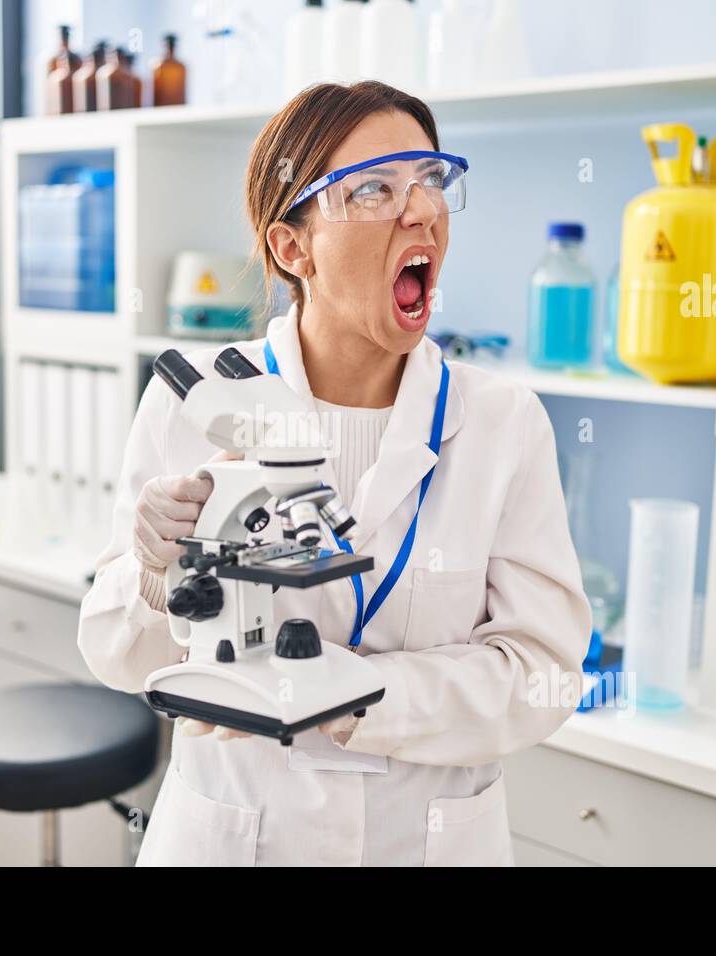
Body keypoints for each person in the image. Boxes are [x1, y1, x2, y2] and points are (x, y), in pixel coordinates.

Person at [78, 80, 591, 866]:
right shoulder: (199, 397)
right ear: (293, 248)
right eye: (376, 189)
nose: (420, 211)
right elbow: (113, 654)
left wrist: (354, 698)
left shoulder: (502, 423)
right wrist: (152, 575)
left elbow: (541, 673)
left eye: (431, 182)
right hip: (235, 835)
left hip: (424, 839)